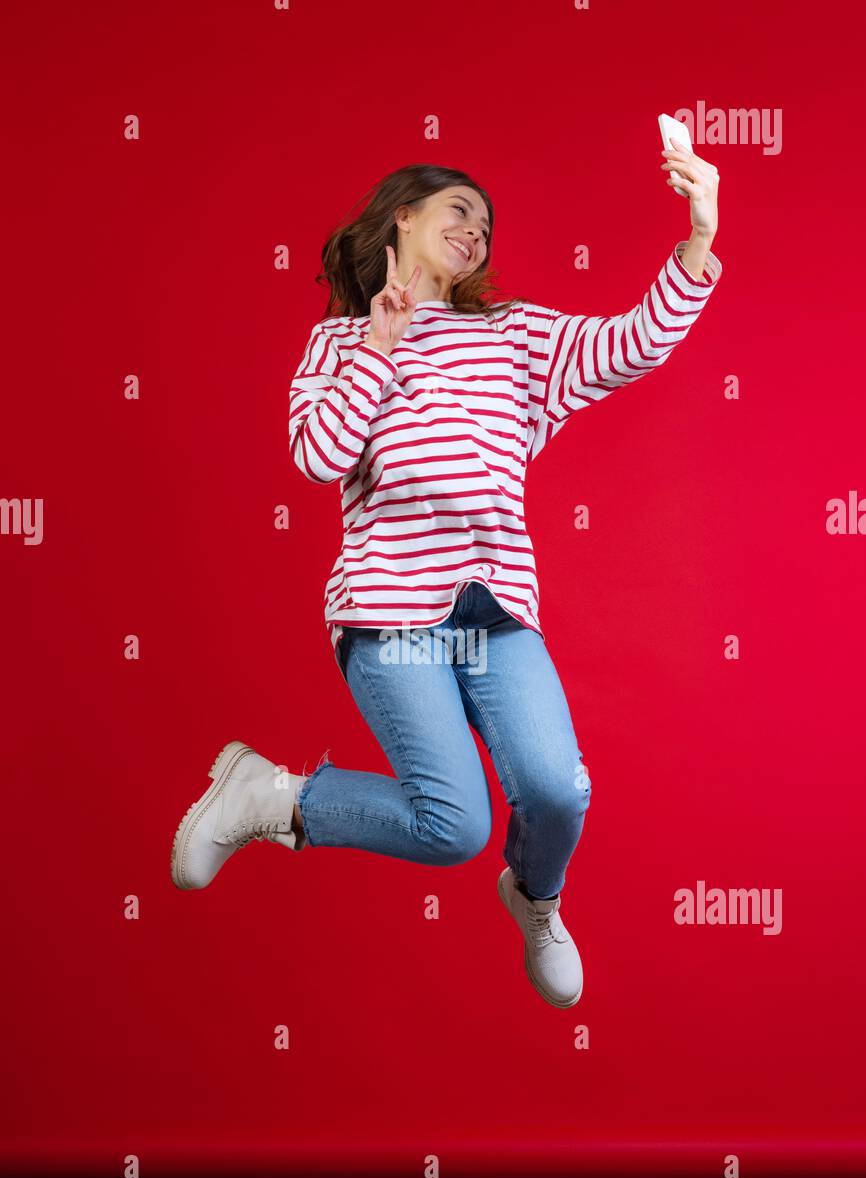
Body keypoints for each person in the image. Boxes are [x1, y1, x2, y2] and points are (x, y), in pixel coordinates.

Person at [171, 150, 722, 1010]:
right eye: (458, 211)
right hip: (389, 612)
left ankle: (536, 900)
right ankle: (271, 796)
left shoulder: (516, 338)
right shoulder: (337, 343)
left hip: (495, 607)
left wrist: (699, 235)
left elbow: (633, 342)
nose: (475, 230)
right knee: (455, 827)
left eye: (486, 225)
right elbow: (318, 458)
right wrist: (380, 342)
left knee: (556, 788)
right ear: (403, 217)